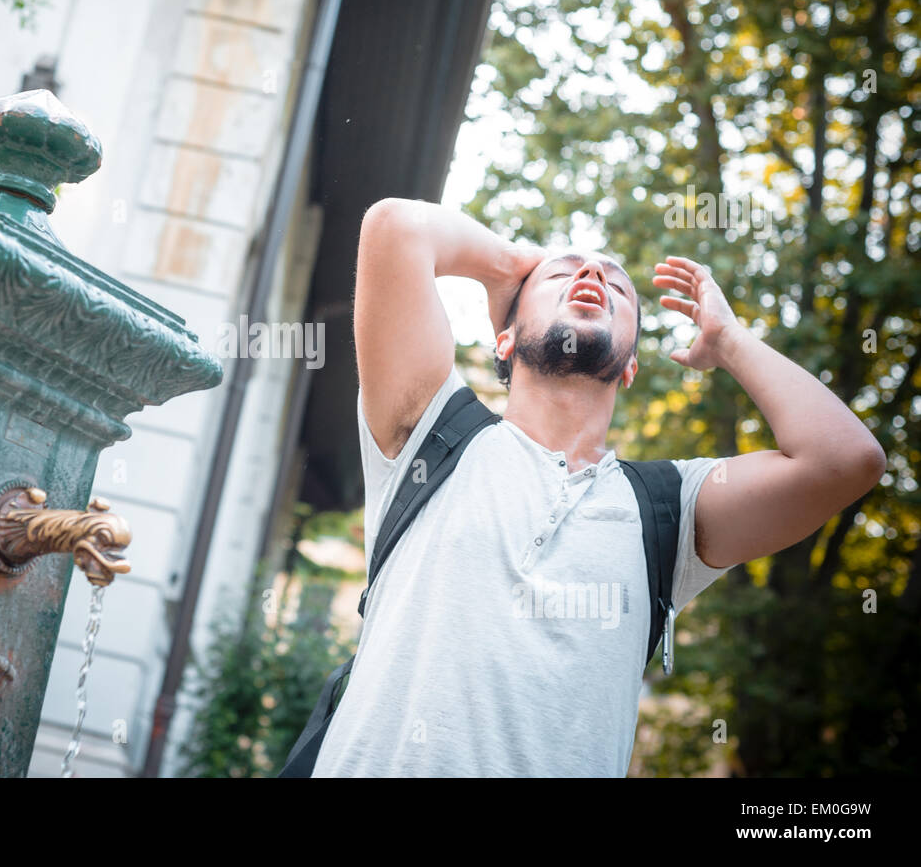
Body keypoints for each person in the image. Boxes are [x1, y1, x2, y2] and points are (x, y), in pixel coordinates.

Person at [310, 197, 887, 777]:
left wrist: (730, 340)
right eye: (564, 272)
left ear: (631, 366)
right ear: (503, 340)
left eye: (617, 286)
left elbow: (846, 461)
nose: (592, 275)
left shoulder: (670, 511)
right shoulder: (430, 437)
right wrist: (510, 264)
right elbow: (395, 227)